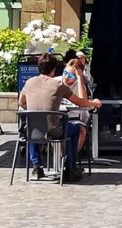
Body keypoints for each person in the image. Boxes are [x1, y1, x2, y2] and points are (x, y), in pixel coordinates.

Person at [17, 53, 101, 182]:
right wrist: (94, 103)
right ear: (54, 70)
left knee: (33, 127)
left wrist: (36, 108)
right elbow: (80, 102)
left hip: (33, 130)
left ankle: (36, 165)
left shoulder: (29, 82)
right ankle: (69, 167)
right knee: (76, 130)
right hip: (54, 130)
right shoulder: (58, 86)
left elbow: (21, 103)